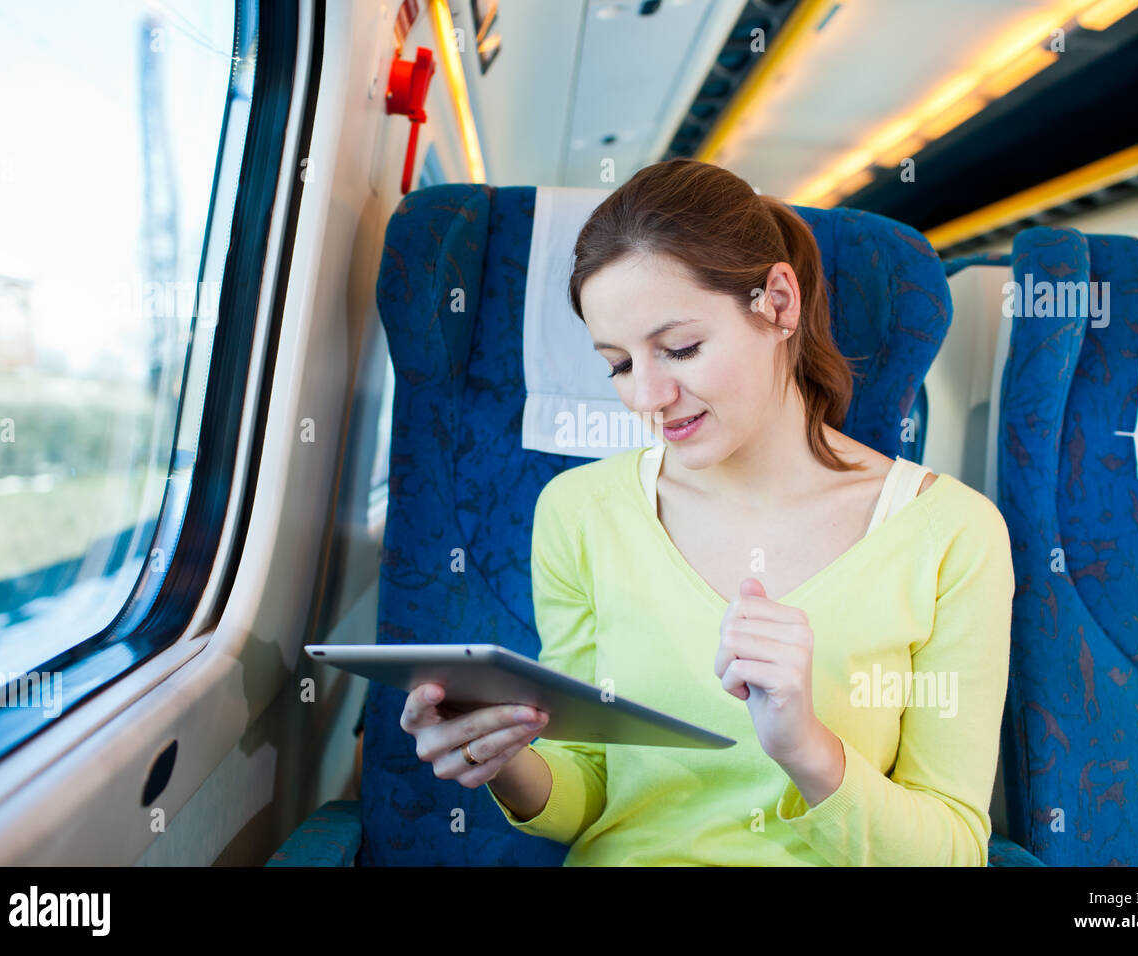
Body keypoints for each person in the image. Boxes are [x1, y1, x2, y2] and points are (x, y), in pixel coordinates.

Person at [399, 158, 1013, 865]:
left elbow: (954, 850)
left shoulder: (951, 536)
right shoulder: (579, 511)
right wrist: (500, 758)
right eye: (619, 365)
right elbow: (591, 793)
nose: (646, 398)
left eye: (680, 349)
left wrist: (806, 750)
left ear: (778, 303)